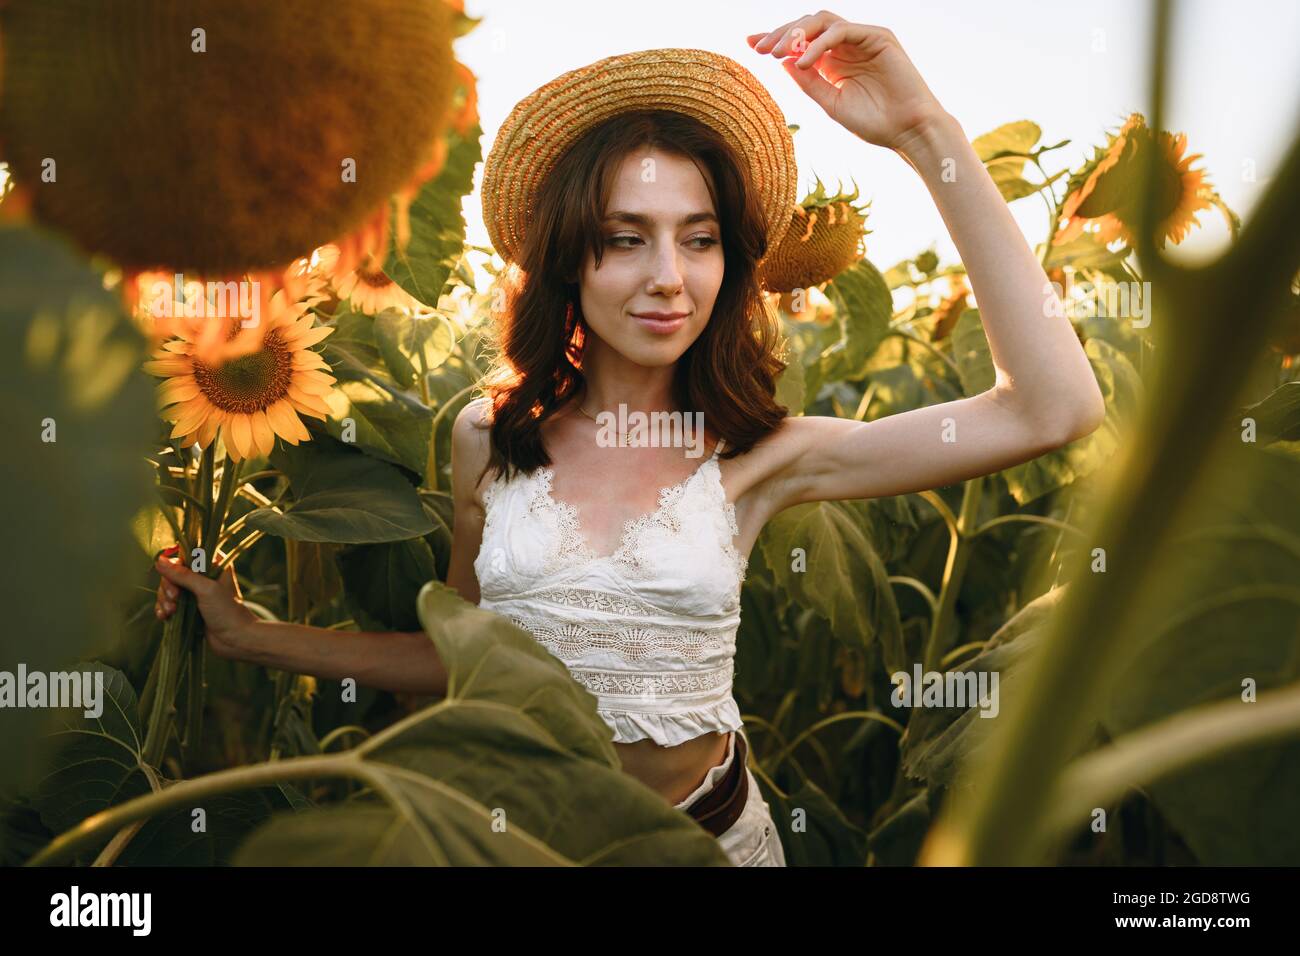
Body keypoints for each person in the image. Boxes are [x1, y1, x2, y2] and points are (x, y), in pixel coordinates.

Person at [154, 11, 1106, 867]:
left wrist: (922, 132)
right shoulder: (489, 434)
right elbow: (465, 654)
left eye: (699, 239)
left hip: (713, 843)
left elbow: (1049, 408)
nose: (668, 278)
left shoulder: (761, 452)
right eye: (624, 238)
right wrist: (254, 636)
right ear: (570, 254)